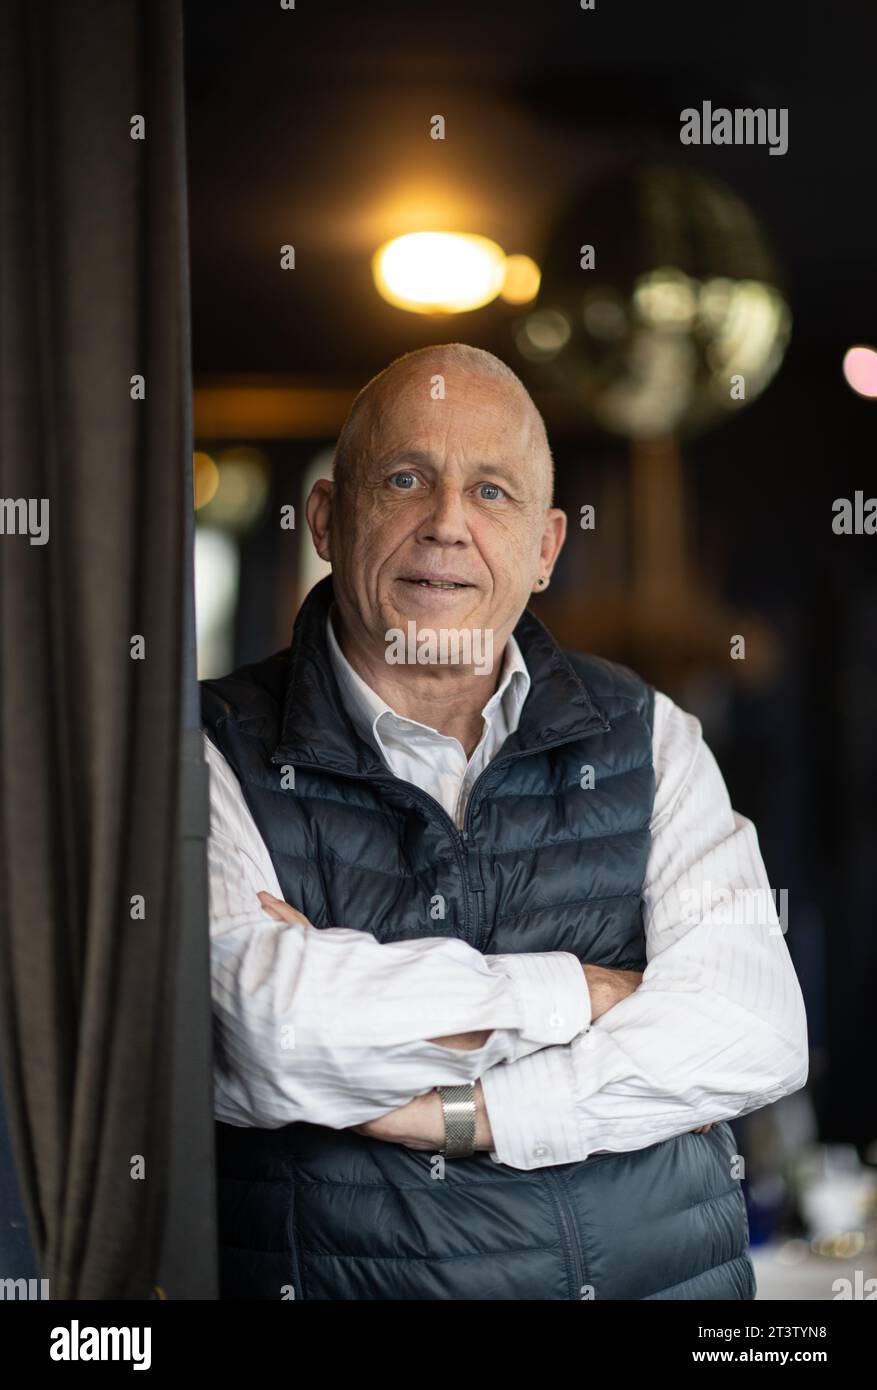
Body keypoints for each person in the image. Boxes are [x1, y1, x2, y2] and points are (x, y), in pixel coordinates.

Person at [201, 342, 808, 1300]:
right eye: (405, 479)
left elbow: (754, 1030)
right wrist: (583, 998)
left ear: (545, 548)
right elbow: (267, 1030)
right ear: (326, 518)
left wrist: (461, 1113)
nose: (446, 525)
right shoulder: (205, 749)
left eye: (491, 492)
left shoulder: (647, 736)